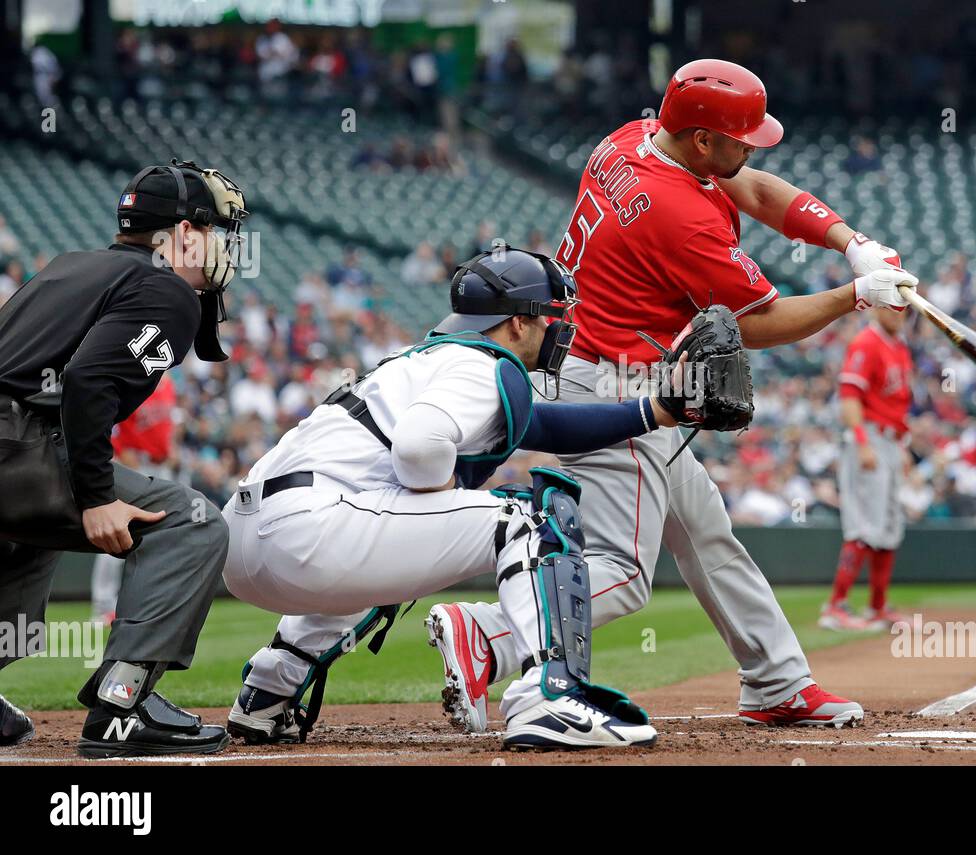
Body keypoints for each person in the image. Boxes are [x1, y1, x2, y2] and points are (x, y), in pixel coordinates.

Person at [435, 58, 919, 731]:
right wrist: (853, 297)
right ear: (700, 141)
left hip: (584, 359)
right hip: (611, 382)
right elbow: (756, 323)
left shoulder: (632, 137)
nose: (752, 147)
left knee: (704, 528)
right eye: (741, 137)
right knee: (623, 571)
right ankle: (488, 633)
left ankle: (776, 681)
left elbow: (756, 190)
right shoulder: (680, 214)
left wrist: (851, 243)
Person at [222, 247, 704, 749]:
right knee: (532, 517)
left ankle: (267, 693)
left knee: (391, 539)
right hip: (310, 532)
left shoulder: (430, 360)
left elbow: (544, 425)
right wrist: (441, 493)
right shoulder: (481, 365)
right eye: (552, 316)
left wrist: (655, 411)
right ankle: (548, 699)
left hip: (249, 540)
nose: (561, 328)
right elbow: (418, 445)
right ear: (518, 323)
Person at [0, 159, 247, 756]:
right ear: (186, 233)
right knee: (192, 525)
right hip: (16, 444)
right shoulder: (166, 287)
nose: (226, 248)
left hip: (10, 447)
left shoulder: (66, 267)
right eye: (218, 231)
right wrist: (96, 498)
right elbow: (87, 381)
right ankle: (123, 704)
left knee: (27, 540)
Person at [821, 306, 914, 631]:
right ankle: (836, 606)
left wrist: (901, 447)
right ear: (877, 307)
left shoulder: (899, 346)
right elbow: (849, 398)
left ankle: (877, 608)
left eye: (904, 308)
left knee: (889, 526)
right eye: (893, 305)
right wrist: (862, 442)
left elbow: (897, 404)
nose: (900, 312)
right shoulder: (866, 342)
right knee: (864, 525)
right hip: (869, 436)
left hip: (890, 440)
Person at [89, 373, 180, 625]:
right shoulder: (133, 376)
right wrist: (120, 449)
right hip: (134, 464)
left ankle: (148, 602)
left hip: (160, 467)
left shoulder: (168, 381)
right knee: (116, 532)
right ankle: (103, 606)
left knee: (160, 535)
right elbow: (109, 418)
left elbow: (168, 422)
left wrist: (171, 447)